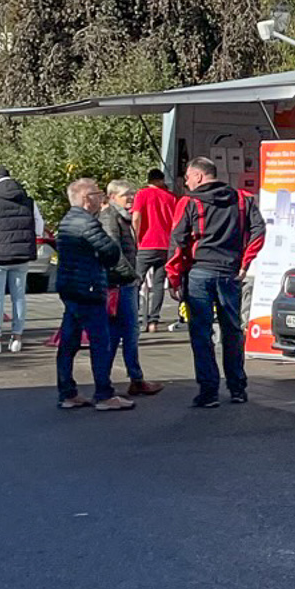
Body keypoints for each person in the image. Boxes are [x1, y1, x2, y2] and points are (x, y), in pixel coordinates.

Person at [166, 156, 265, 408]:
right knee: (232, 330)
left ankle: (209, 391)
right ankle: (237, 388)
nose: (186, 182)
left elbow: (177, 241)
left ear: (199, 176)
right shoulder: (243, 199)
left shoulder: (188, 202)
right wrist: (245, 263)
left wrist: (174, 277)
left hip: (199, 273)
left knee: (201, 333)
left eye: (188, 177)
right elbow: (258, 231)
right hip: (230, 273)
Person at [54, 179, 135, 411]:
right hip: (88, 287)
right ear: (86, 198)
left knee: (69, 341)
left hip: (70, 287)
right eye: (98, 194)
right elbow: (110, 250)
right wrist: (109, 263)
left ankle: (67, 392)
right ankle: (104, 394)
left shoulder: (68, 220)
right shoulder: (87, 223)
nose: (102, 198)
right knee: (101, 341)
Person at [0, 169, 48, 355]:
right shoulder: (30, 202)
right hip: (22, 255)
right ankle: (17, 338)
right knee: (19, 297)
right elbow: (39, 228)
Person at [102, 180, 162, 395]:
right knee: (124, 331)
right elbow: (114, 252)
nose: (130, 199)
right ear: (112, 197)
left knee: (124, 332)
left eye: (132, 195)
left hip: (122, 282)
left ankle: (131, 378)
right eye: (125, 195)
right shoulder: (111, 217)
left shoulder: (121, 218)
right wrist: (131, 276)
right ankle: (119, 379)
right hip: (120, 284)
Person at [129, 167, 181, 334]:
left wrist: (135, 238)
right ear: (161, 180)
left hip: (145, 244)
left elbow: (136, 217)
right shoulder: (172, 198)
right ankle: (153, 322)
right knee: (159, 284)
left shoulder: (142, 194)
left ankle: (133, 319)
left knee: (136, 282)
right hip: (165, 246)